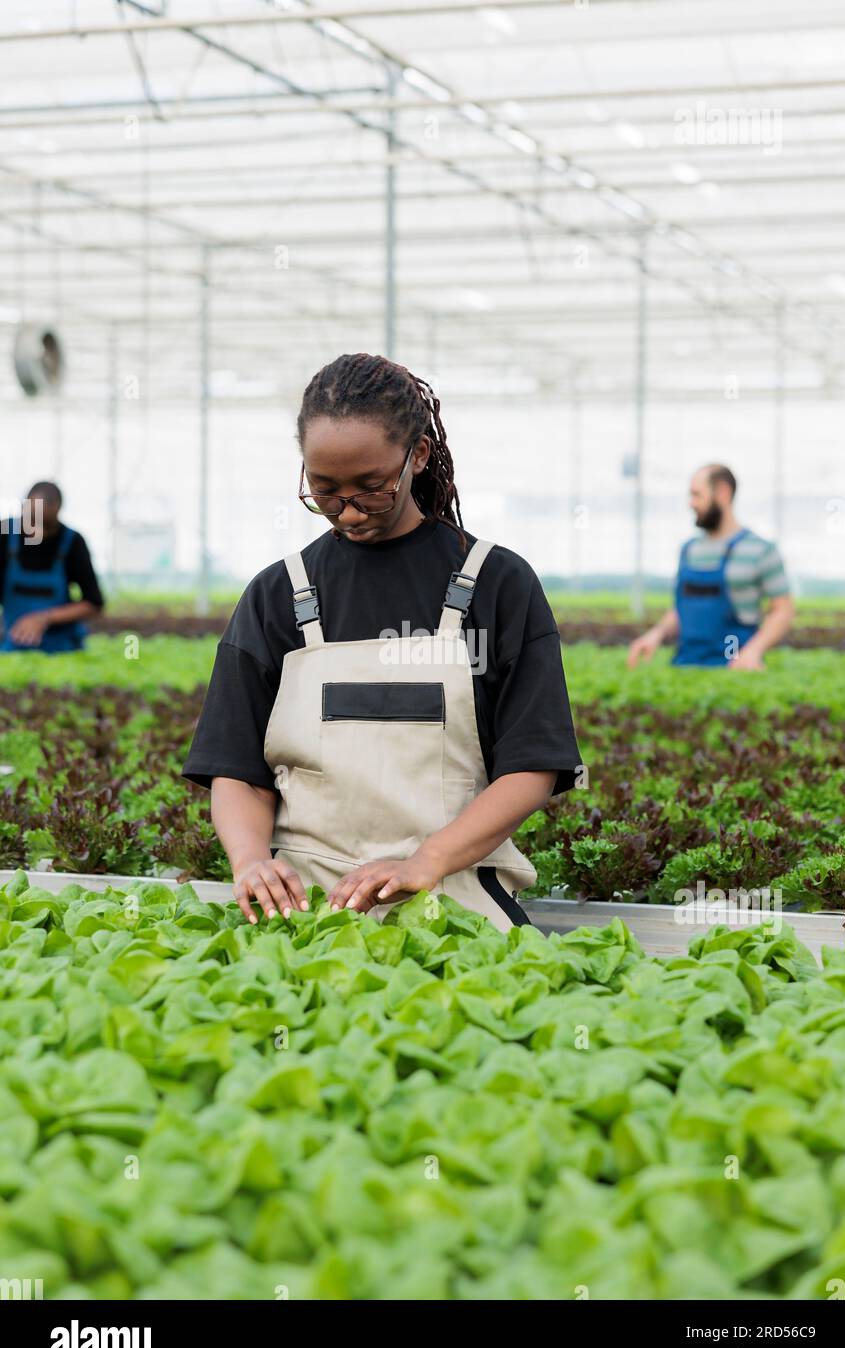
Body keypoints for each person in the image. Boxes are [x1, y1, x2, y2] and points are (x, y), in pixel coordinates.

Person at [182, 352, 581, 933]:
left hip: (454, 901)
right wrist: (249, 861)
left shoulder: (496, 583)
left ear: (417, 455)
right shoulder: (278, 594)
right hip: (303, 909)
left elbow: (532, 768)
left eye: (372, 487)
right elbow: (238, 769)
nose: (347, 511)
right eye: (324, 490)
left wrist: (428, 860)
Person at [627, 463, 794, 670]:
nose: (691, 503)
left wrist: (753, 652)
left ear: (722, 492)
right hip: (684, 666)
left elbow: (783, 610)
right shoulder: (689, 550)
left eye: (697, 495)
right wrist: (656, 634)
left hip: (733, 665)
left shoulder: (760, 550)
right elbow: (684, 608)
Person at [0, 481, 104, 653]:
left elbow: (93, 604)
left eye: (44, 526)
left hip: (62, 646)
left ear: (58, 512)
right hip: (10, 642)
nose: (35, 533)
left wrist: (44, 618)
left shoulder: (73, 542)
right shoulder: (4, 533)